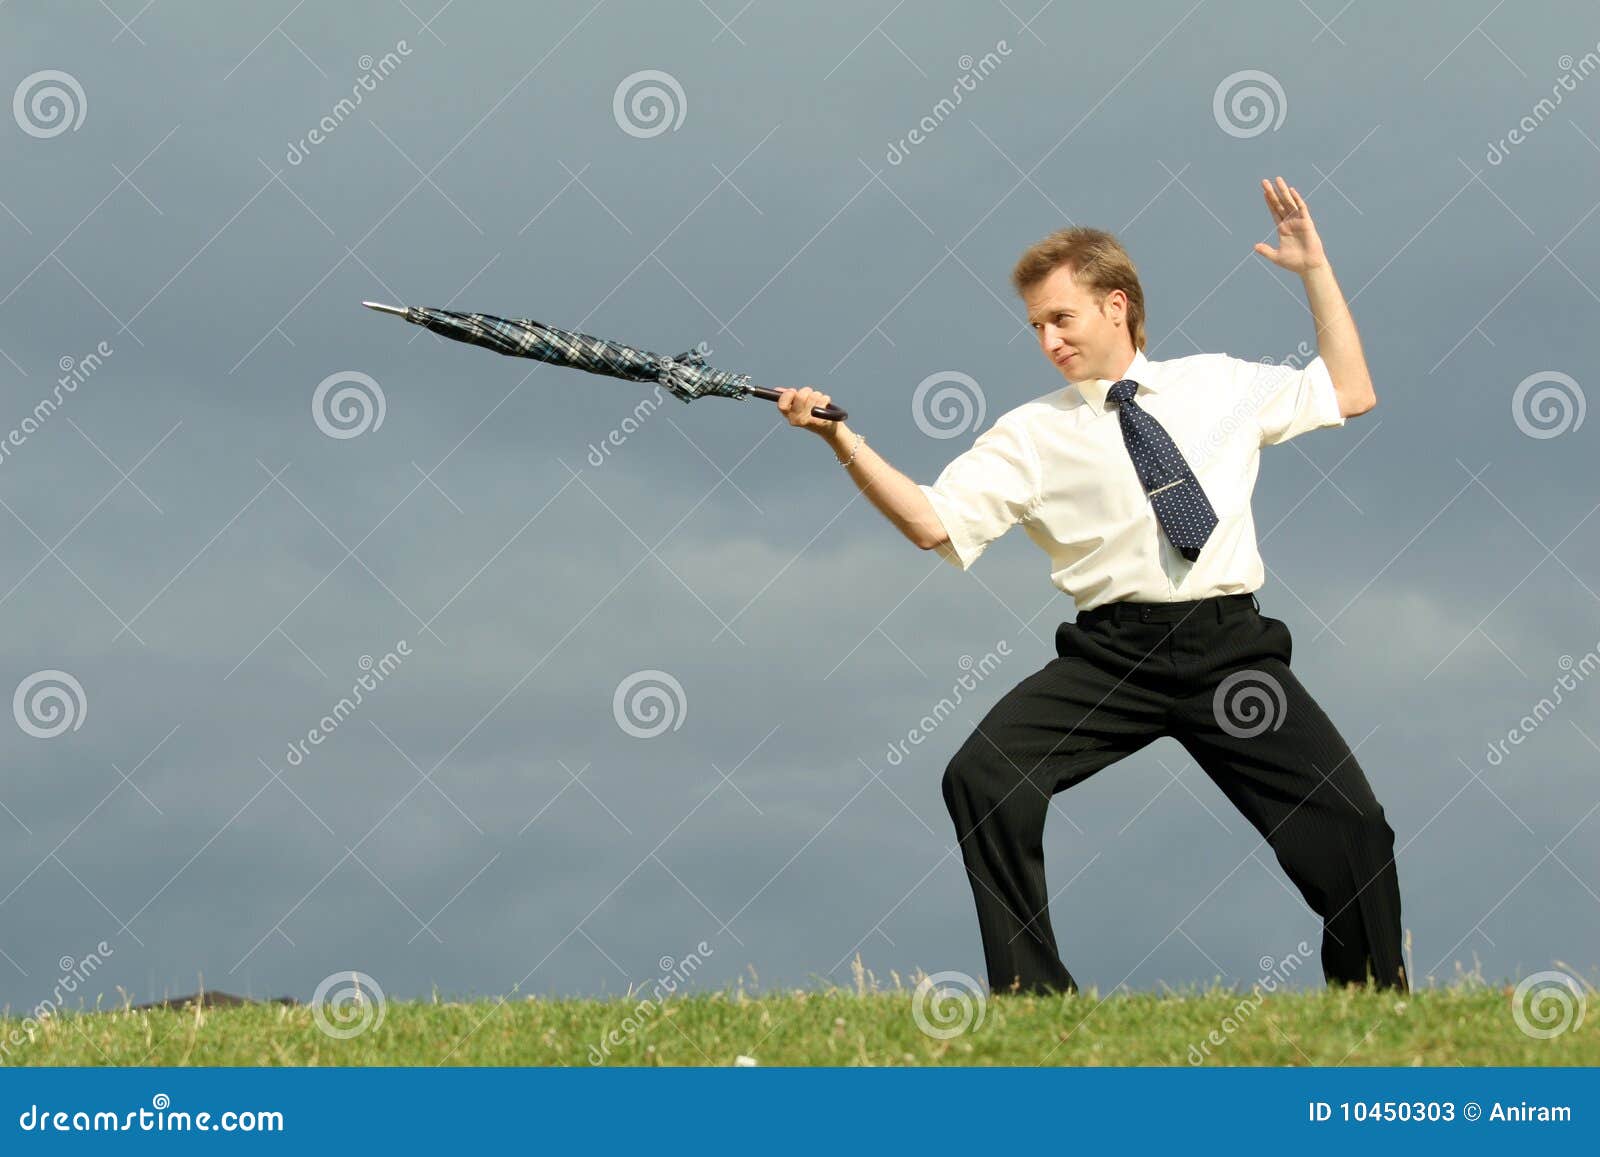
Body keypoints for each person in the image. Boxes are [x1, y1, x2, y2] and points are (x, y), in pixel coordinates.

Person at [777, 177, 1407, 997]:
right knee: (982, 775)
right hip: (1113, 658)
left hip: (1229, 653)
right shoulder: (1031, 434)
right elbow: (934, 523)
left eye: (1061, 318)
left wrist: (1314, 271)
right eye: (1036, 325)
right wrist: (843, 441)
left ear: (1117, 306)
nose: (1048, 340)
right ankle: (1033, 997)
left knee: (1354, 827)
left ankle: (1371, 1004)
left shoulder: (1219, 382)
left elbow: (1350, 390)